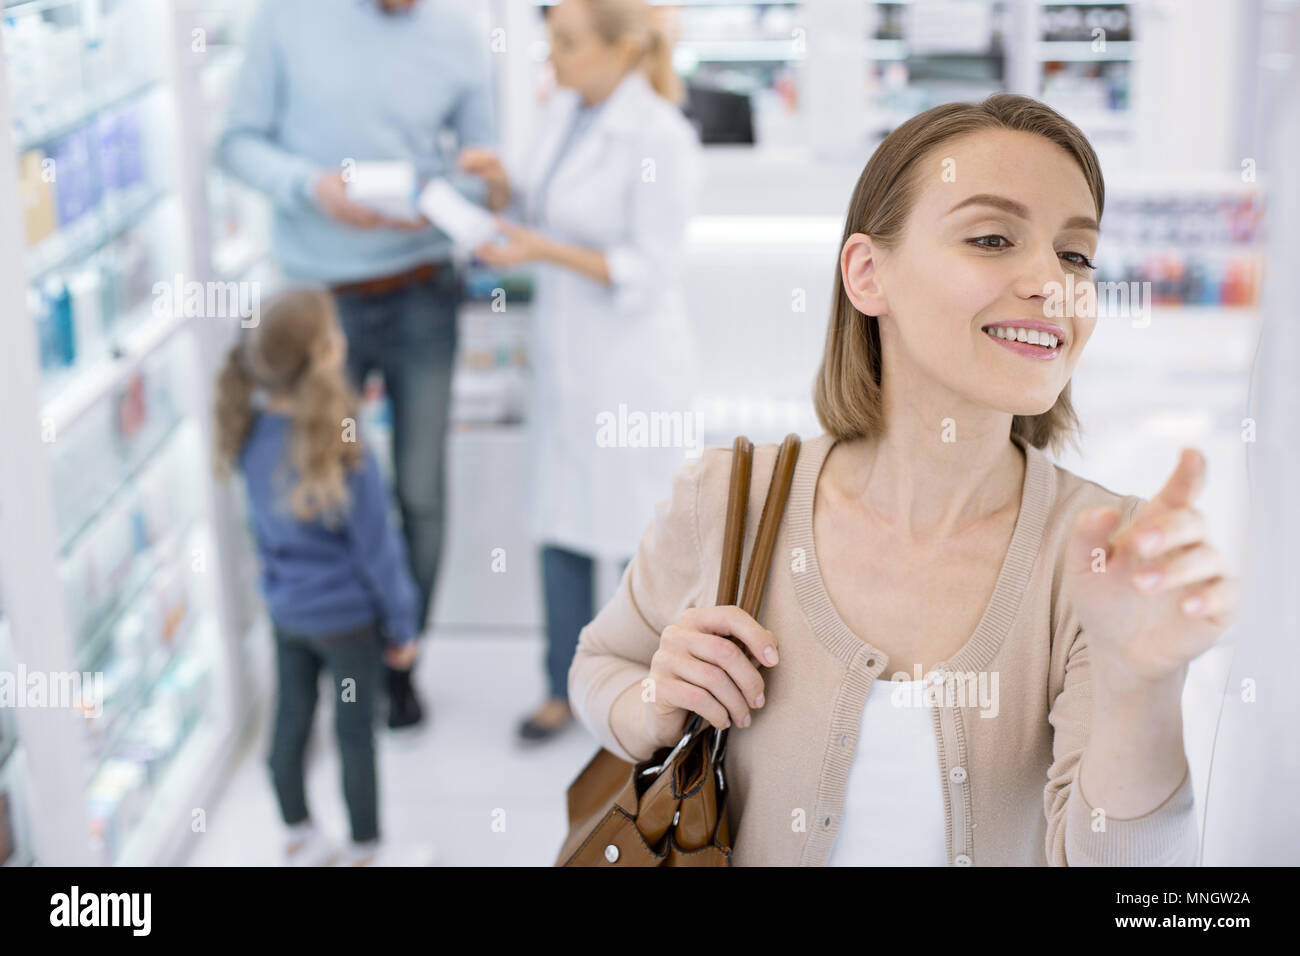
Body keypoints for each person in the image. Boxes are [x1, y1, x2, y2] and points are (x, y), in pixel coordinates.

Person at [567, 93, 1241, 865]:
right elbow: (600, 665)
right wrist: (652, 705)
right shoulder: (727, 497)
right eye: (992, 238)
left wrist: (1140, 689)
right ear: (868, 274)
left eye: (1076, 254)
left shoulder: (1099, 558)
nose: (1053, 283)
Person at [216, 0, 503, 728]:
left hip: (423, 292)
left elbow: (485, 168)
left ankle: (399, 661)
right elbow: (238, 143)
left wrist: (449, 195)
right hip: (319, 302)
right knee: (321, 479)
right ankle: (334, 662)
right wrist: (310, 187)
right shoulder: (284, 20)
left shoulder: (459, 36)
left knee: (420, 492)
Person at [459, 0, 703, 743]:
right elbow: (537, 204)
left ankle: (656, 697)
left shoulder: (660, 137)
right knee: (559, 520)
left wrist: (540, 251)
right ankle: (560, 687)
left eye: (567, 43)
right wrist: (499, 185)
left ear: (620, 50)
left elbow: (649, 269)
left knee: (641, 537)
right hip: (566, 360)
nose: (553, 57)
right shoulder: (562, 113)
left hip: (631, 367)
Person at [213, 289, 423, 866]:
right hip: (349, 626)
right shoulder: (345, 442)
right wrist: (404, 624)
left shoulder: (248, 432)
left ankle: (299, 835)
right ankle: (365, 849)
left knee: (289, 725)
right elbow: (379, 549)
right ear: (326, 353)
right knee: (354, 735)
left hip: (288, 617)